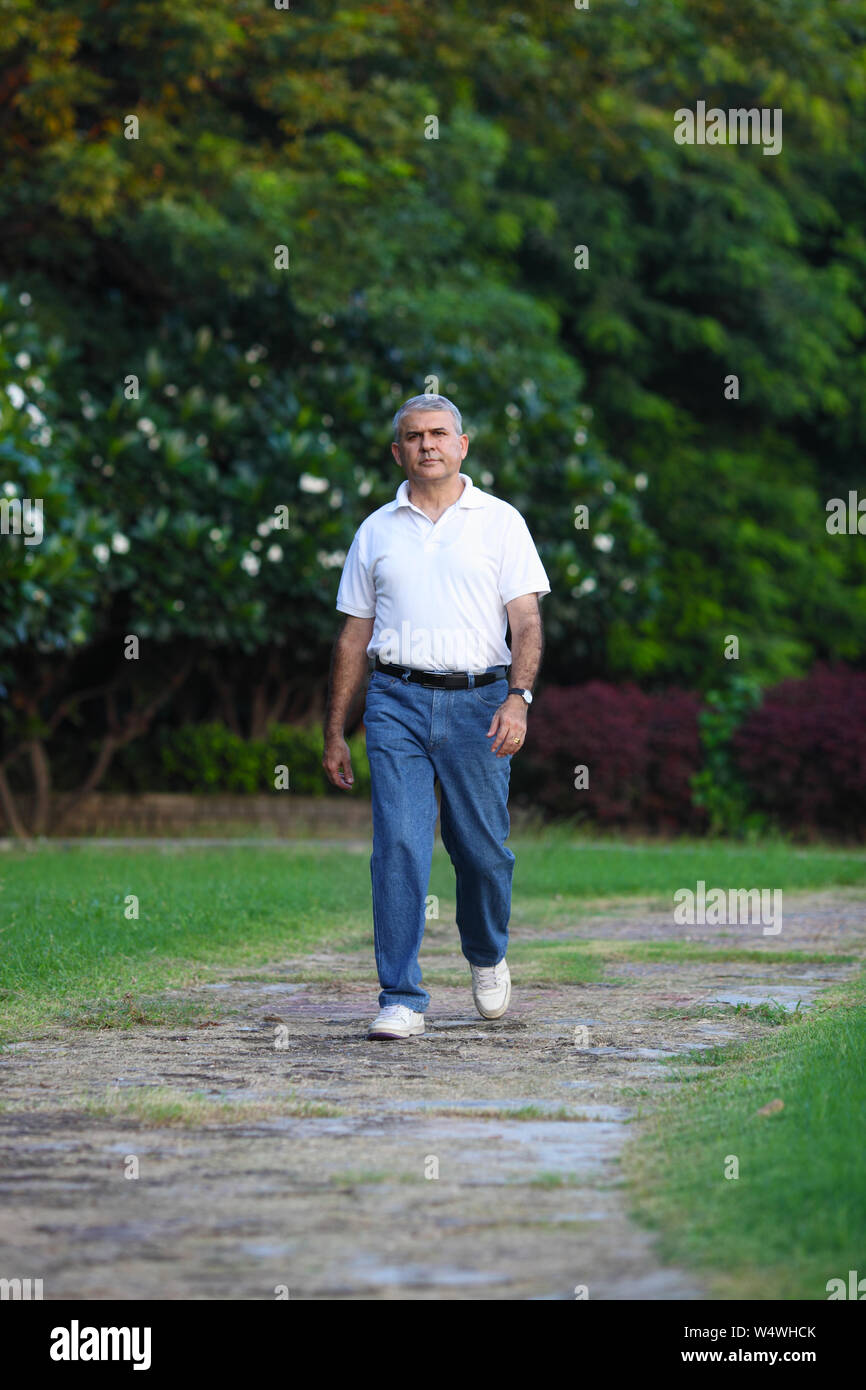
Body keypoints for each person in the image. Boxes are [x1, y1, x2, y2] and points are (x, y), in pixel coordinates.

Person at [322, 394, 549, 1040]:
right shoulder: (376, 531)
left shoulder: (501, 523)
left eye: (439, 434)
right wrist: (336, 729)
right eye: (414, 436)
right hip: (394, 703)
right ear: (398, 452)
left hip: (481, 703)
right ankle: (400, 995)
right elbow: (351, 638)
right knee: (397, 843)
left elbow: (527, 622)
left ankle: (486, 952)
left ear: (462, 444)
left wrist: (518, 697)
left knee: (480, 852)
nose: (427, 445)